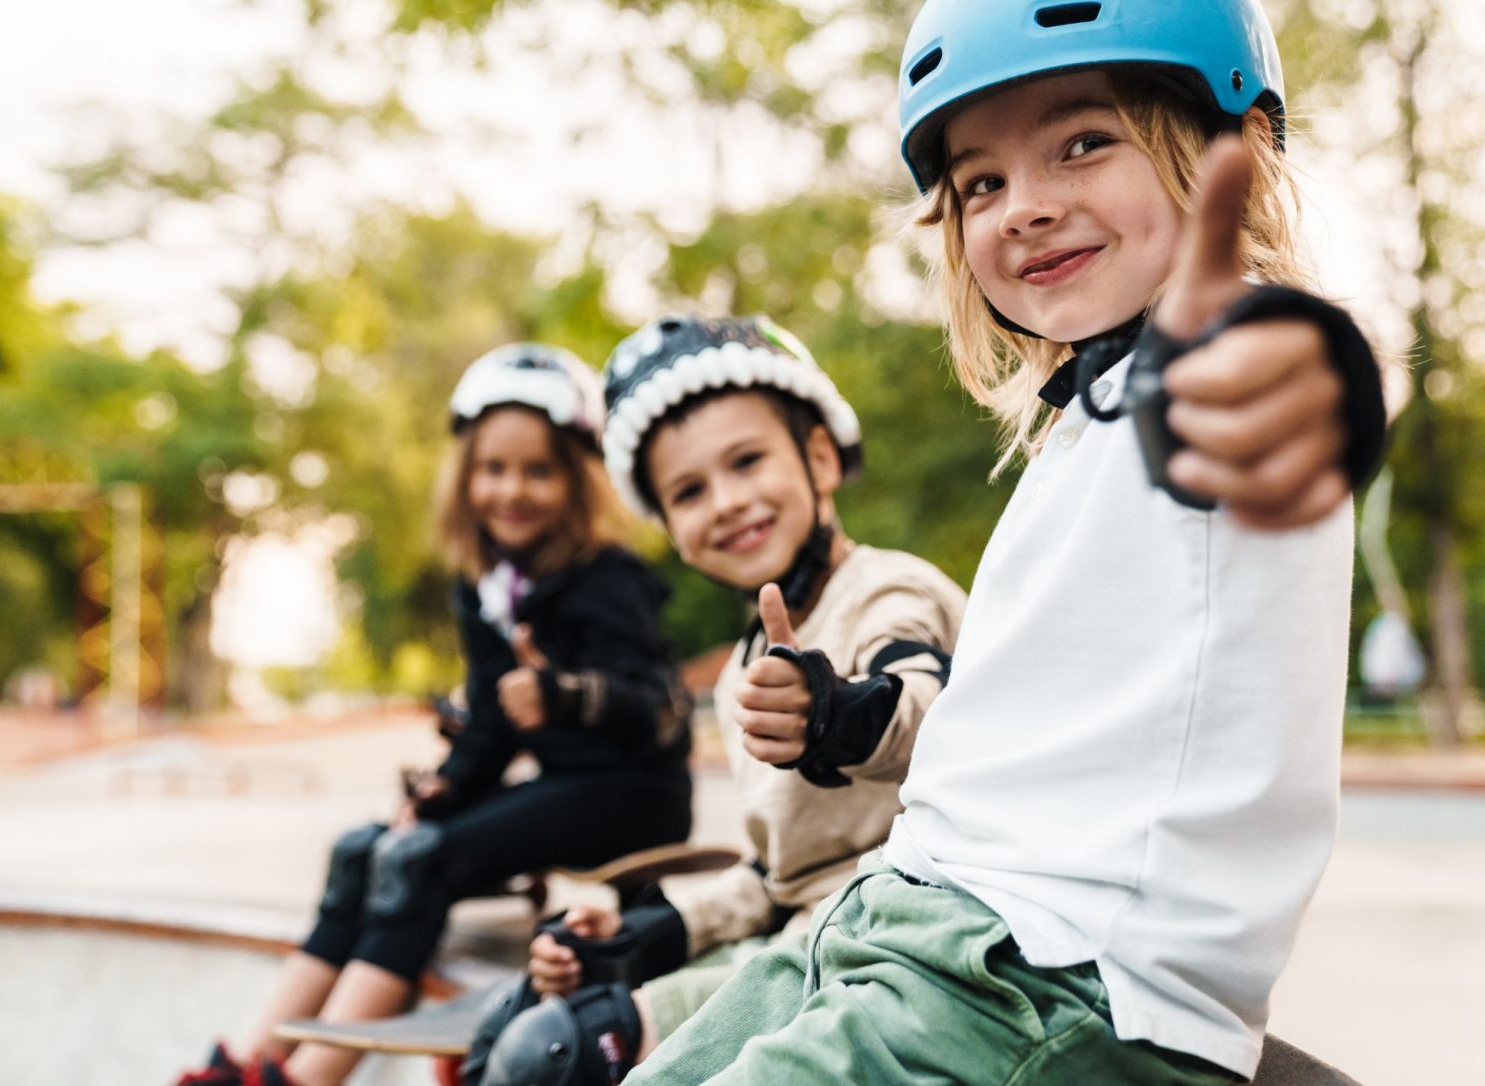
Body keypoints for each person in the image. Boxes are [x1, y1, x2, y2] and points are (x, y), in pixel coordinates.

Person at [623, 1, 1387, 1083]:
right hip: (901, 926)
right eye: (981, 182)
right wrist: (843, 716)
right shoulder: (1082, 426)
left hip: (1054, 976)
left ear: (1232, 154)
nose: (1024, 208)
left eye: (1082, 144)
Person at [462, 315, 966, 1085]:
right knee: (534, 1012)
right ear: (671, 527)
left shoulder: (888, 591)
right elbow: (776, 876)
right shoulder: (746, 666)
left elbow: (923, 705)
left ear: (821, 458)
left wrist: (835, 711)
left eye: (748, 461)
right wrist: (643, 929)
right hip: (802, 931)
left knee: (556, 1054)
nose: (726, 502)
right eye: (689, 491)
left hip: (897, 938)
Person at [174, 343, 694, 1086]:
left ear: (577, 482)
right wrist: (441, 791)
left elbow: (660, 715)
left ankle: (310, 1078)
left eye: (537, 471)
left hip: (634, 797)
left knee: (421, 864)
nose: (511, 490)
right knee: (370, 848)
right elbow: (489, 726)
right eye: (493, 469)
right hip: (564, 792)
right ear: (465, 478)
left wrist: (567, 696)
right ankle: (248, 1064)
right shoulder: (485, 588)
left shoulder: (609, 579)